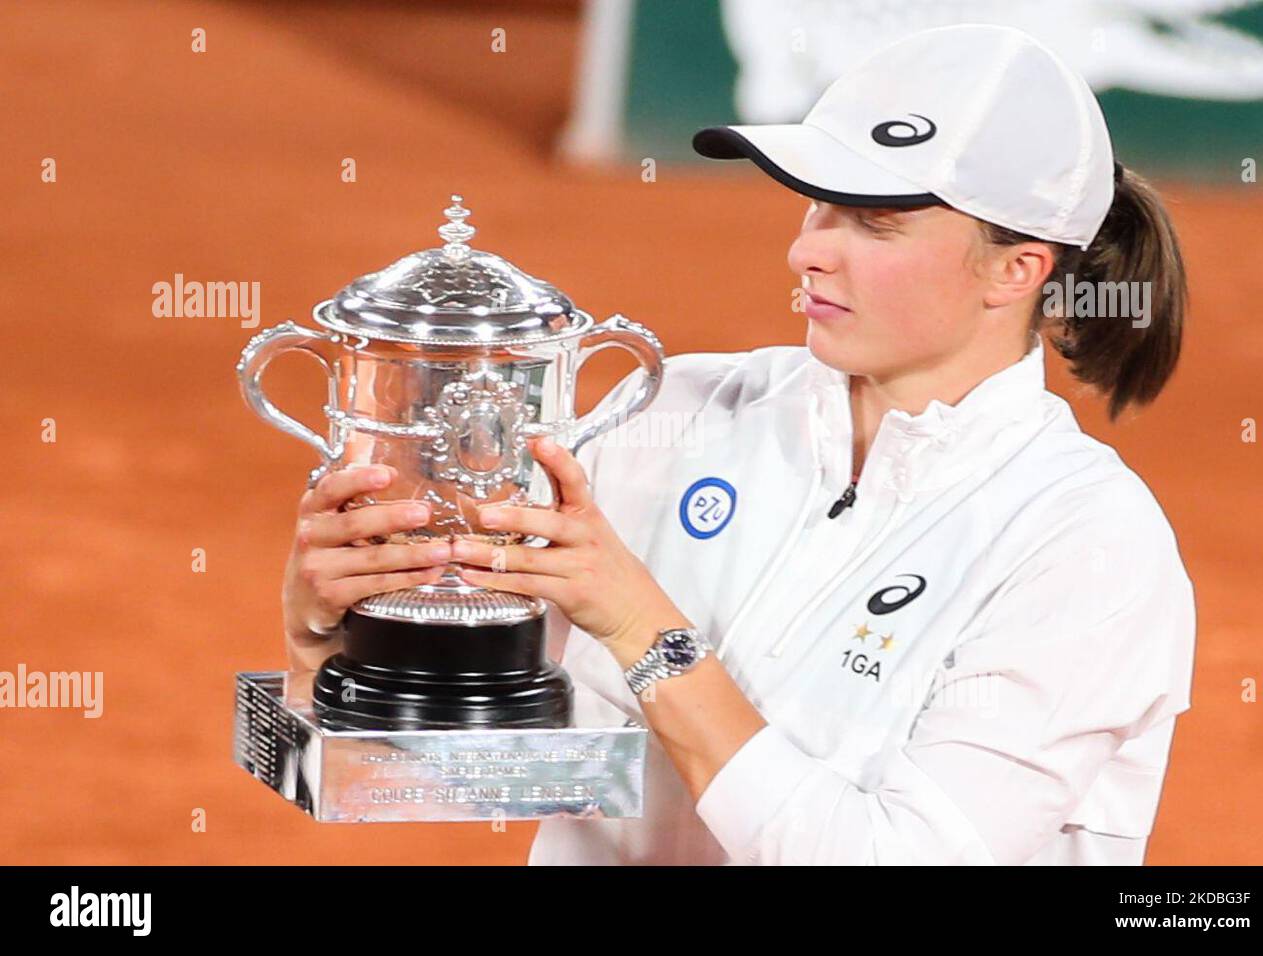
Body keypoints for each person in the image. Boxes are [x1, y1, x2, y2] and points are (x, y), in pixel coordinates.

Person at [282, 23, 1196, 865]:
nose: (810, 251)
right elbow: (424, 779)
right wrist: (334, 644)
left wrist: (644, 630)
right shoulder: (668, 411)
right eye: (815, 206)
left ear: (1017, 269)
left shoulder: (1085, 543)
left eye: (874, 222)